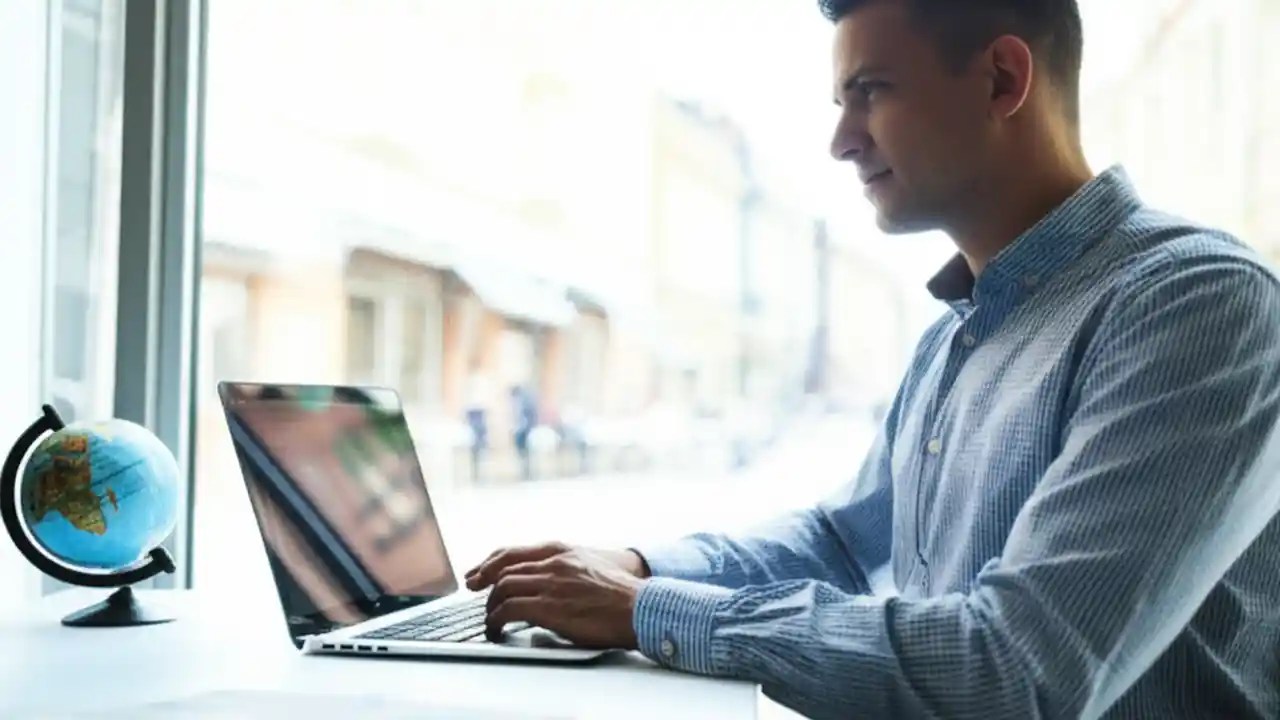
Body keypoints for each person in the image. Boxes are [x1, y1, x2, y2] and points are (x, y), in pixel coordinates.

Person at [465, 0, 1280, 717]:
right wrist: (635, 567)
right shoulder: (958, 334)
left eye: (872, 92)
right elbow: (846, 541)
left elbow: (1019, 672)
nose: (841, 141)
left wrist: (651, 609)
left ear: (1002, 79)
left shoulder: (1198, 303)